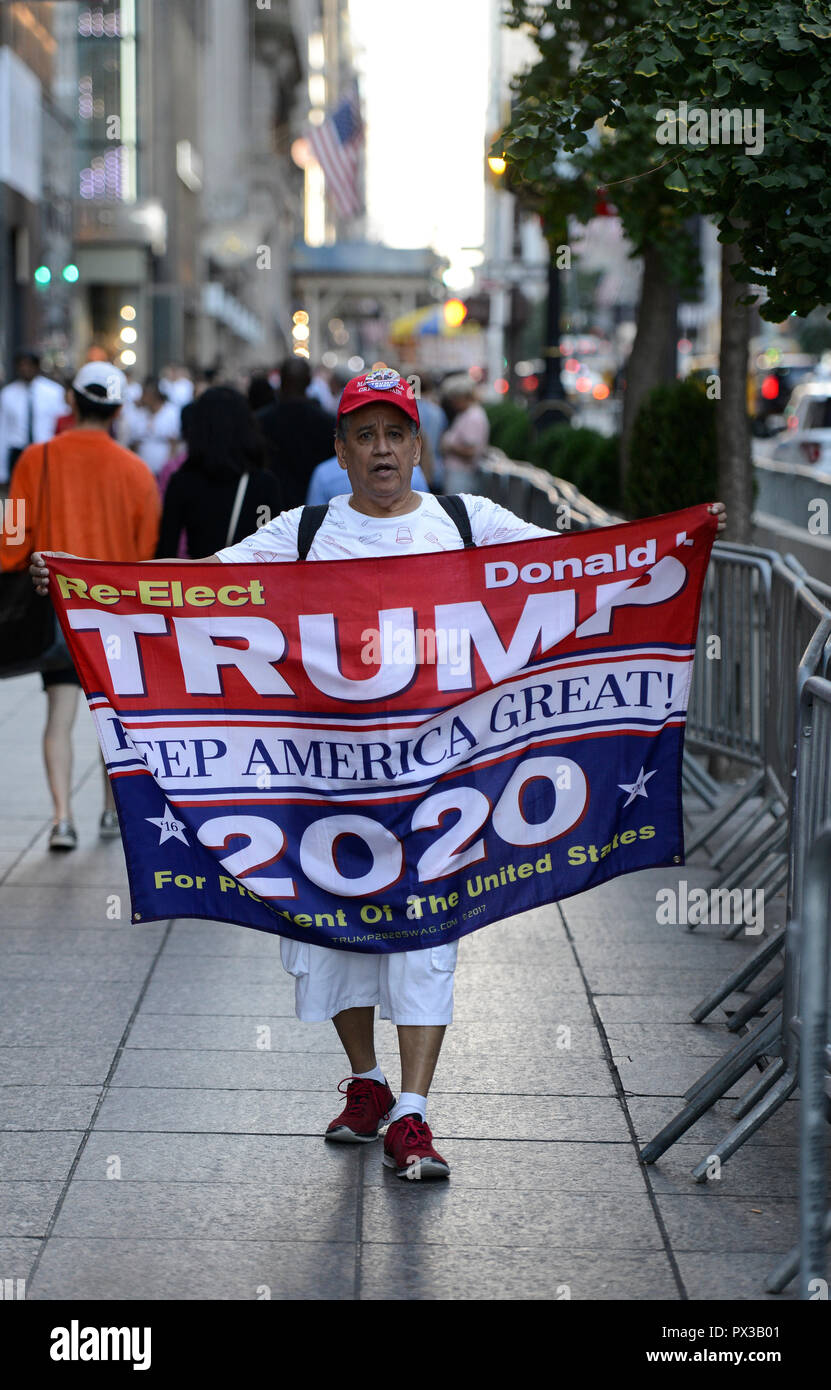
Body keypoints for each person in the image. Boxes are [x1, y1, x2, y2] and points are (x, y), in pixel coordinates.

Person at [30, 365, 728, 1174]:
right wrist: (82, 582)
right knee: (335, 941)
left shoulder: (469, 522)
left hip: (442, 789)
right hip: (327, 790)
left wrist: (675, 536)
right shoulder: (300, 534)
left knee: (427, 943)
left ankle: (414, 1113)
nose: (382, 450)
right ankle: (366, 1083)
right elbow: (197, 588)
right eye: (365, 436)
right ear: (342, 450)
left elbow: (579, 568)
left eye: (395, 434)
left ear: (418, 445)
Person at [5, 362, 161, 850]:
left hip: (55, 609)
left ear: (72, 402)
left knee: (60, 713)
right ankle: (110, 813)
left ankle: (60, 818)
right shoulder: (137, 471)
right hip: (113, 613)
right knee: (109, 716)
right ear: (116, 410)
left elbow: (11, 538)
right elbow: (146, 554)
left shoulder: (35, 458)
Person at [156, 386, 286, 558]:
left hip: (199, 583)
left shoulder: (182, 482)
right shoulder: (263, 484)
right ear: (246, 427)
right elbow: (273, 548)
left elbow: (166, 550)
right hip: (251, 583)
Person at [256, 356, 337, 508]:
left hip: (270, 510)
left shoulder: (260, 421)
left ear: (281, 381)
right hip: (315, 510)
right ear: (308, 381)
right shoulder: (327, 422)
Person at [0, 350, 66, 485]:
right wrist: (2, 469)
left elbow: (61, 425)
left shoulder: (54, 391)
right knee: (18, 500)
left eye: (29, 365)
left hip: (45, 451)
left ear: (37, 367)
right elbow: (3, 429)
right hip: (18, 451)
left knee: (44, 494)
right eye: (22, 365)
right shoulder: (8, 394)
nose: (25, 369)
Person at [440, 373, 490, 494]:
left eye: (453, 398)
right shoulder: (467, 414)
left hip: (462, 476)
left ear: (461, 397)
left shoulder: (473, 416)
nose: (452, 403)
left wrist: (449, 447)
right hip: (459, 475)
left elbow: (471, 451)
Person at [127, 378, 182, 475]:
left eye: (146, 394)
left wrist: (169, 467)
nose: (143, 397)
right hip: (141, 469)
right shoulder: (139, 413)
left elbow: (174, 443)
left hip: (162, 470)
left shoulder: (171, 412)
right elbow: (133, 444)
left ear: (155, 396)